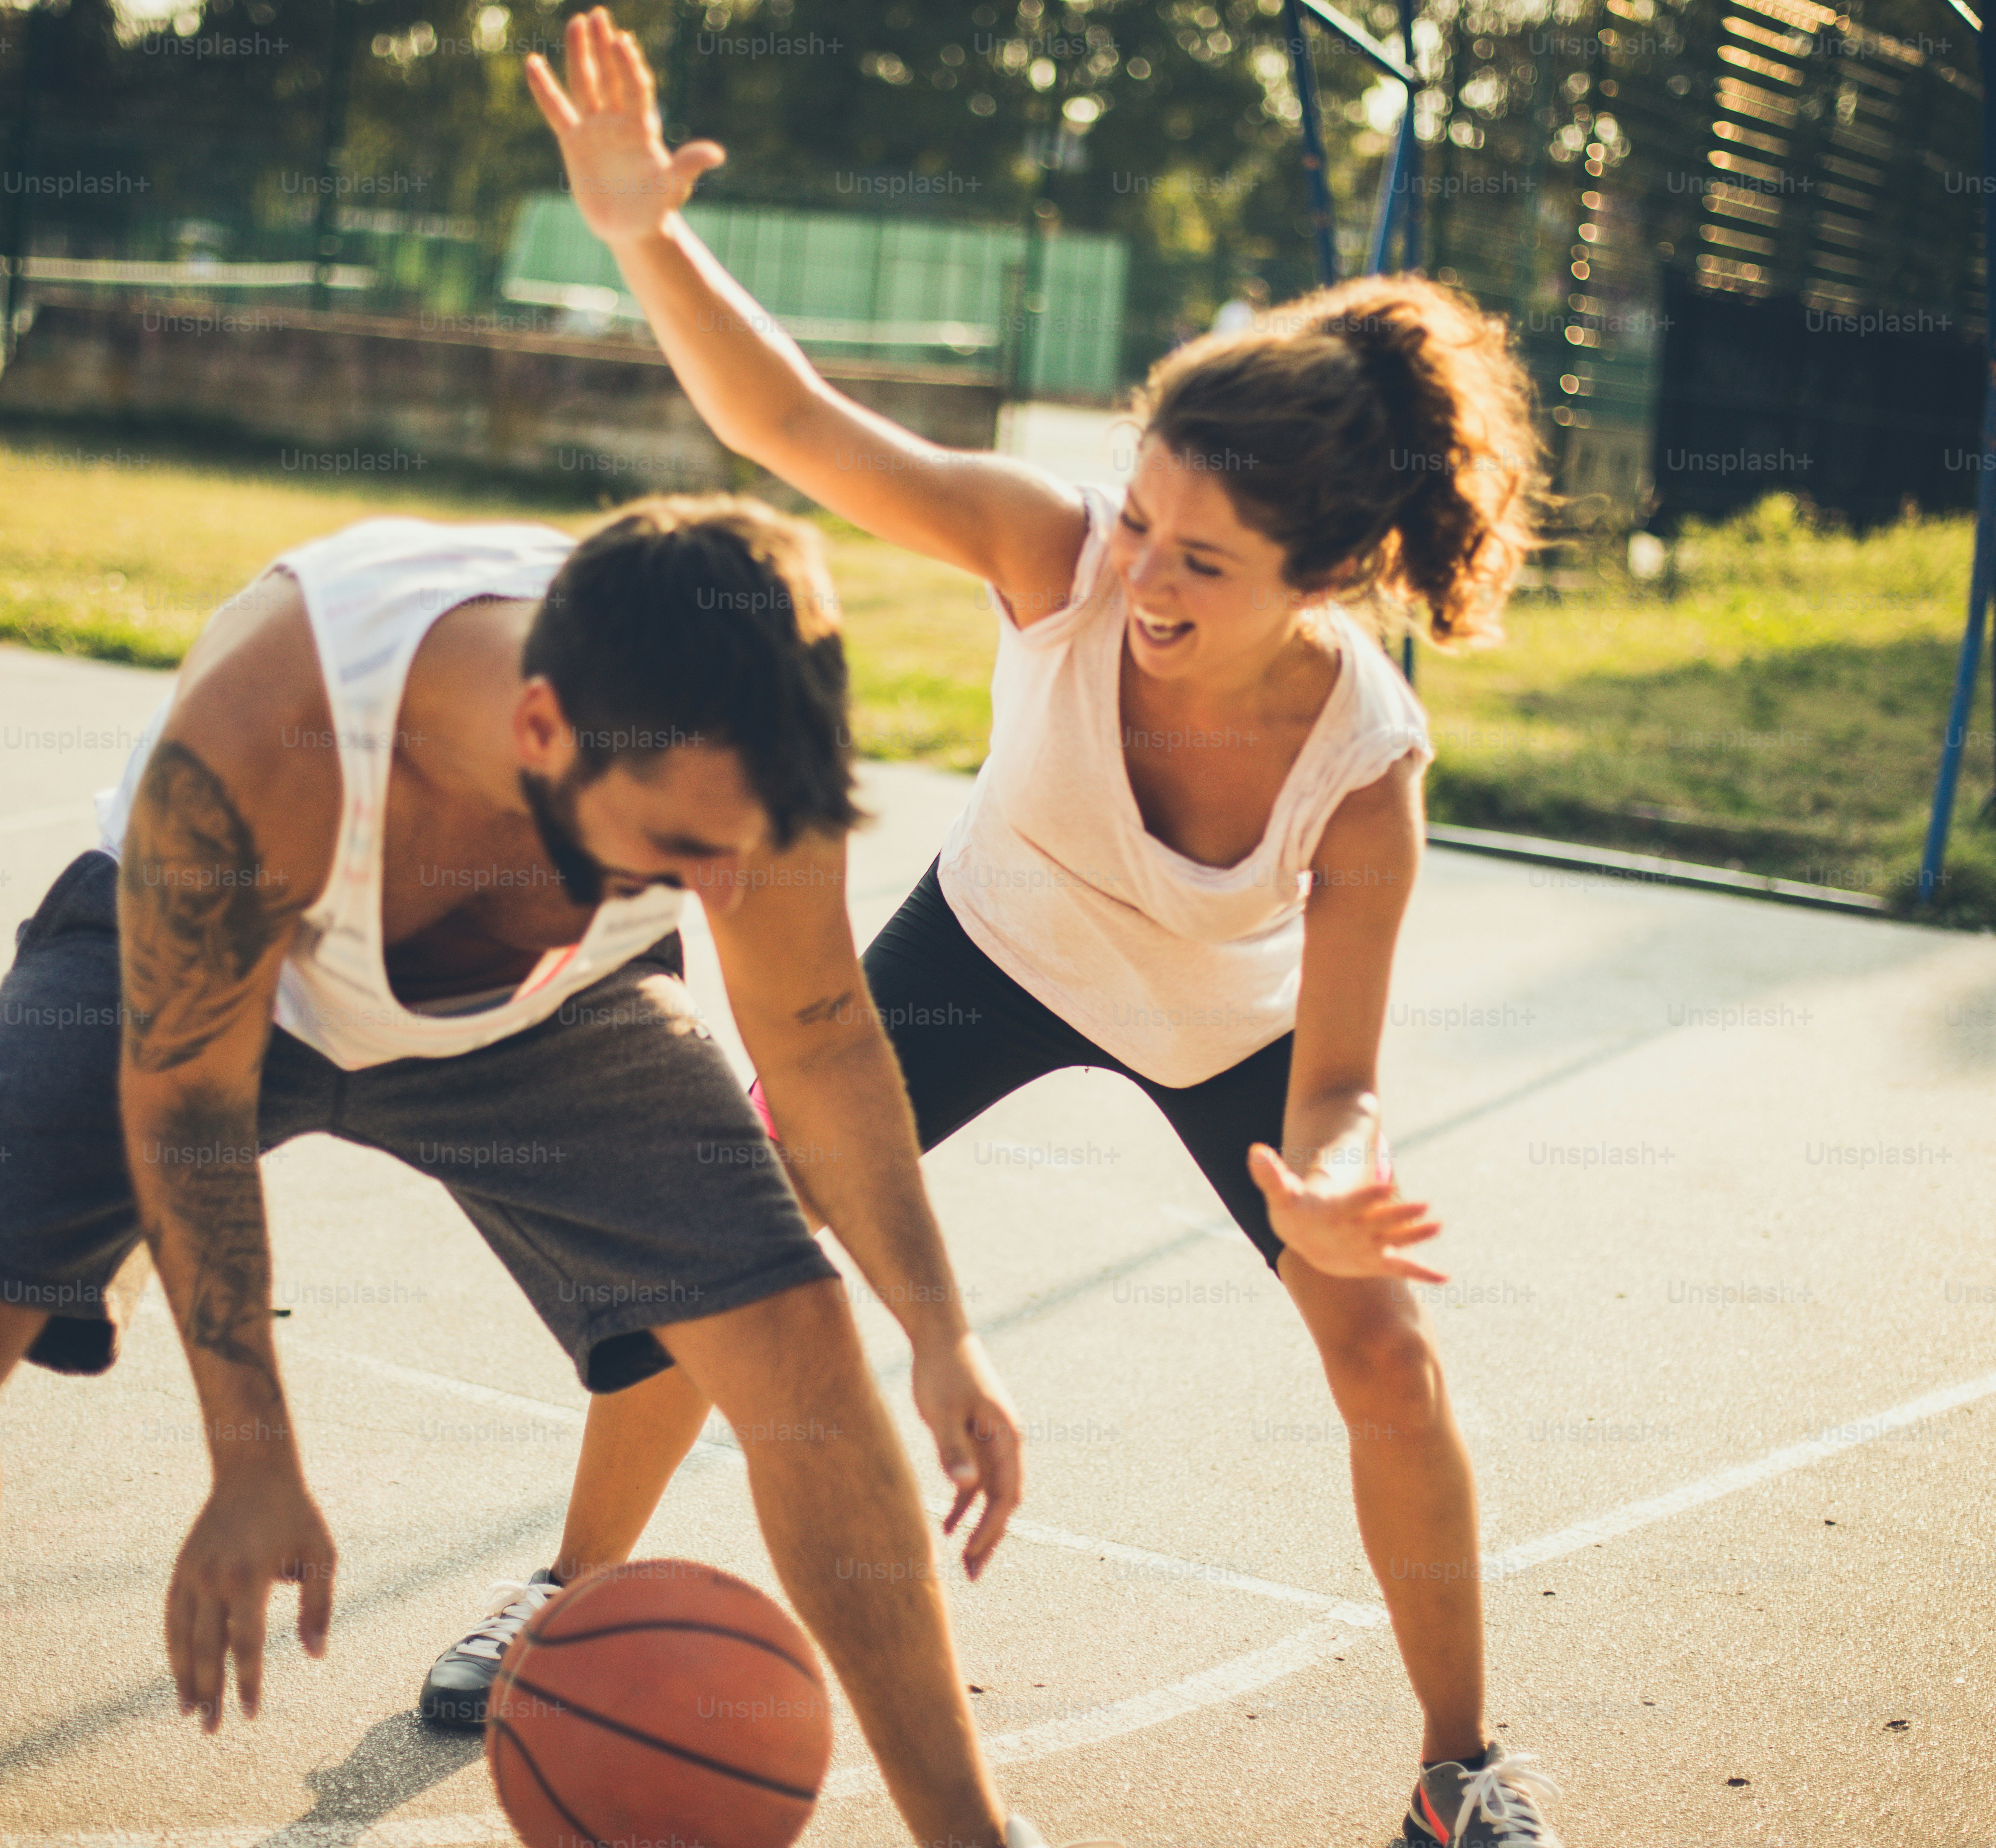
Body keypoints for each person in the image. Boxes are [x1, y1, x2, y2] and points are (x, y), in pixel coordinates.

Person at [468, 16, 1567, 1848]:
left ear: (1327, 582)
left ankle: (1459, 1770)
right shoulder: (1055, 556)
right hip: (986, 945)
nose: (1143, 576)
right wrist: (643, 234)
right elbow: (793, 425)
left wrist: (1331, 1182)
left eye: (1202, 564)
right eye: (1142, 519)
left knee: (1381, 1344)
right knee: (723, 1240)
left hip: (1224, 1033)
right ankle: (568, 1594)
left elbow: (1346, 1077)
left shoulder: (1364, 766)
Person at [0, 495, 1076, 1848]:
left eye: (740, 850)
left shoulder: (745, 742)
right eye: (682, 850)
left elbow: (823, 1040)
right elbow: (188, 1101)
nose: (721, 886)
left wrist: (941, 1330)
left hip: (544, 1000)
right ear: (542, 729)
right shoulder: (271, 726)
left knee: (805, 1354)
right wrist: (250, 1452)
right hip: (223, 984)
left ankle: (969, 1832)